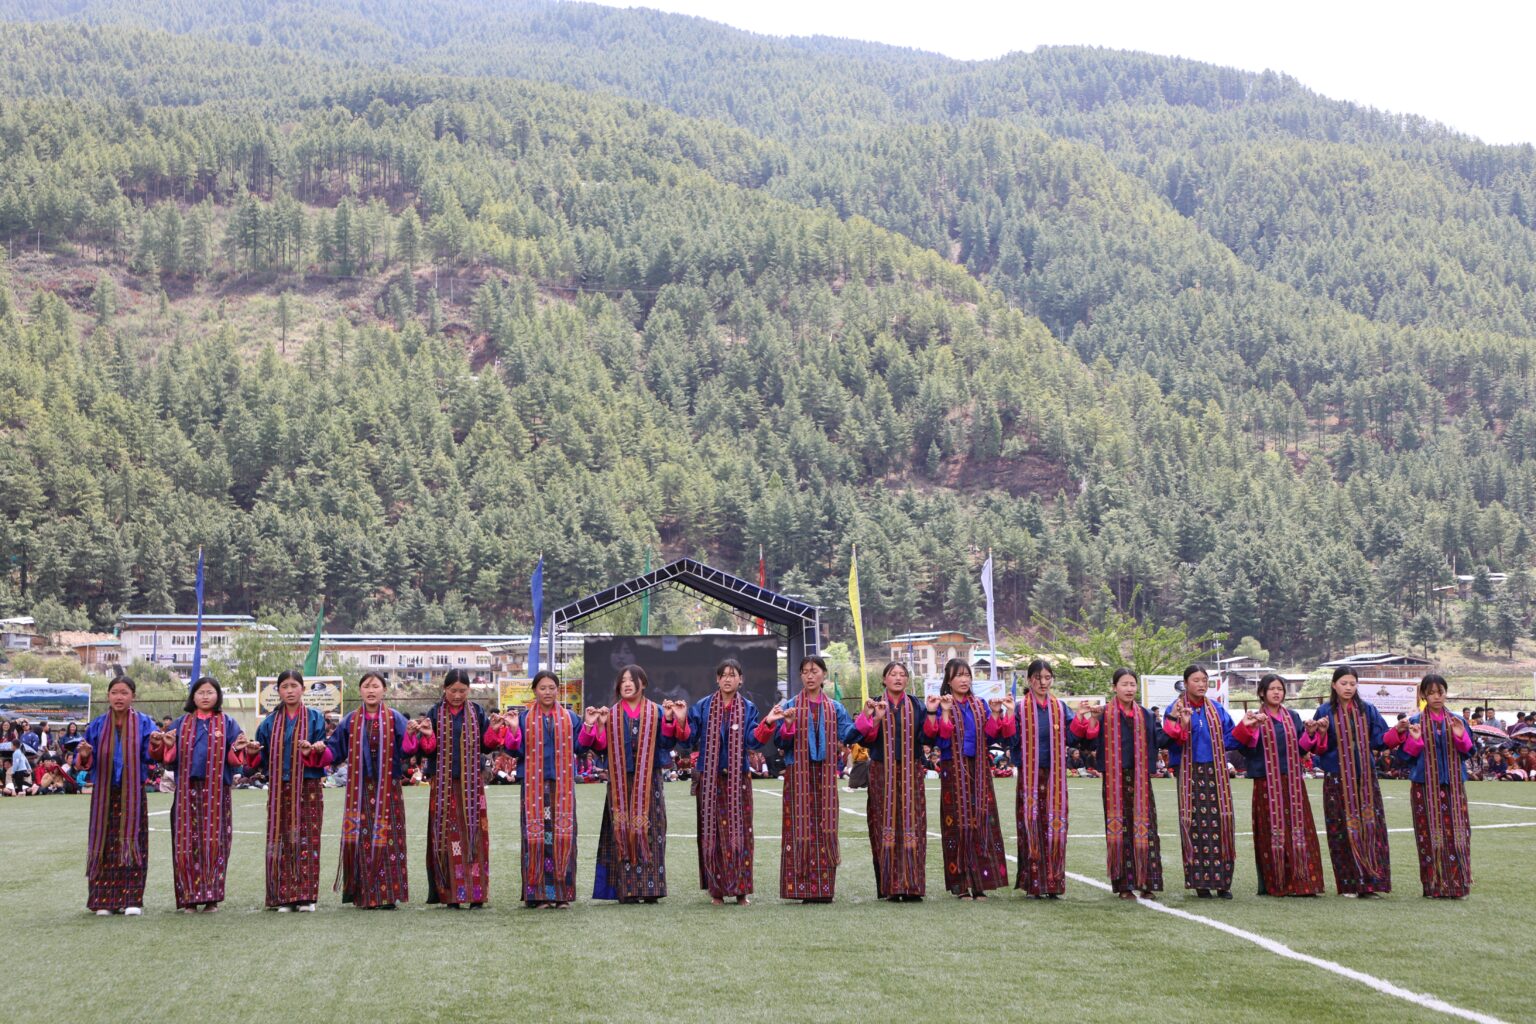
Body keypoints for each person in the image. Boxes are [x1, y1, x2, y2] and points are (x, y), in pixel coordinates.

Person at [757, 655, 860, 902]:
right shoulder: (791, 705)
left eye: (814, 671)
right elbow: (781, 743)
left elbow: (849, 734)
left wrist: (867, 719)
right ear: (801, 676)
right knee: (798, 829)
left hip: (825, 777)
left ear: (823, 675)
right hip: (798, 776)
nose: (810, 675)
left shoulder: (835, 707)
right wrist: (789, 725)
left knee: (825, 827)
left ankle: (824, 890)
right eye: (805, 671)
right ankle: (801, 888)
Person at [412, 668, 514, 908]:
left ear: (468, 690)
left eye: (462, 691)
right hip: (443, 785)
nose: (457, 695)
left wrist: (495, 728)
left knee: (474, 835)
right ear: (444, 690)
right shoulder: (435, 712)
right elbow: (428, 749)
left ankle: (475, 894)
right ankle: (450, 895)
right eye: (452, 690)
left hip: (472, 785)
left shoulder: (476, 711)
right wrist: (426, 735)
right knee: (446, 836)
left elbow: (486, 745)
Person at [592, 665, 687, 903]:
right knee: (621, 829)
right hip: (619, 783)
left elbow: (666, 743)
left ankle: (651, 889)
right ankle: (627, 890)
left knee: (651, 831)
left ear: (642, 683)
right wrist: (600, 726)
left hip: (650, 782)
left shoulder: (656, 711)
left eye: (631, 680)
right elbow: (600, 747)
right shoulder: (610, 713)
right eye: (622, 680)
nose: (626, 684)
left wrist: (668, 720)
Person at [507, 671, 601, 908]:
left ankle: (562, 895)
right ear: (534, 691)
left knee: (564, 837)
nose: (547, 692)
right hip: (533, 788)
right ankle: (537, 895)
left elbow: (580, 747)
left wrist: (588, 725)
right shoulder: (524, 718)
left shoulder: (570, 717)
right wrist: (513, 730)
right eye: (542, 688)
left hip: (563, 788)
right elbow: (514, 751)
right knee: (534, 839)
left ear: (557, 690)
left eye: (551, 687)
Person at [1072, 668, 1165, 900]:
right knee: (1119, 830)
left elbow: (1161, 739)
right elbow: (1088, 739)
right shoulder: (1104, 714)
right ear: (1114, 687)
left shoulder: (1146, 715)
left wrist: (1179, 723)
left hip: (1141, 779)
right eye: (1124, 684)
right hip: (1115, 781)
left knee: (1147, 829)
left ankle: (1147, 881)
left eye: (1132, 684)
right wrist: (1091, 718)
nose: (1129, 688)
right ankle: (1124, 884)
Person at [322, 671, 411, 908]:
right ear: (360, 690)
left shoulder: (395, 718)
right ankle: (363, 894)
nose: (371, 691)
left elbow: (408, 749)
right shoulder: (350, 720)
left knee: (388, 838)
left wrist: (414, 736)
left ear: (384, 690)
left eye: (376, 686)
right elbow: (334, 751)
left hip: (388, 789)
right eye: (366, 686)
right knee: (361, 837)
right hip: (358, 790)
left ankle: (388, 895)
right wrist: (316, 750)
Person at [161, 676, 251, 912]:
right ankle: (190, 898)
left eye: (210, 692)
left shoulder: (228, 723)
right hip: (185, 793)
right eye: (200, 692)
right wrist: (168, 745)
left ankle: (211, 898)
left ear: (218, 696)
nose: (204, 696)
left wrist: (237, 748)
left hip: (217, 793)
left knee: (215, 843)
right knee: (185, 844)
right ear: (193, 696)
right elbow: (168, 760)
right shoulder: (180, 724)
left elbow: (234, 761)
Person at [1232, 674, 1325, 897]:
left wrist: (1311, 733)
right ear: (1262, 693)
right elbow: (1243, 748)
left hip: (1293, 782)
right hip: (1266, 783)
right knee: (1271, 831)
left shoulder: (1292, 716)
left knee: (1299, 830)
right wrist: (1251, 728)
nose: (1277, 693)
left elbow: (1302, 749)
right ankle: (1278, 882)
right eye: (1272, 689)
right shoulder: (1254, 717)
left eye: (1280, 689)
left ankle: (1303, 882)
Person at [923, 658, 1008, 899]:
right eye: (959, 675)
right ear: (949, 680)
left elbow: (990, 736)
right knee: (958, 826)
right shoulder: (942, 705)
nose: (964, 679)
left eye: (967, 675)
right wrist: (947, 712)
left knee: (981, 822)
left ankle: (981, 882)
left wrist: (994, 713)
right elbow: (940, 739)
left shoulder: (980, 704)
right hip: (954, 771)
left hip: (979, 770)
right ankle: (961, 884)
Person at [245, 669, 329, 912]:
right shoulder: (269, 723)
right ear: (278, 691)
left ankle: (306, 897)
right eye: (285, 686)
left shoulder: (315, 718)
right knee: (282, 839)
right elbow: (259, 758)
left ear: (302, 689)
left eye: (294, 685)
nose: (290, 691)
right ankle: (284, 896)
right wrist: (252, 752)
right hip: (280, 788)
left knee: (308, 839)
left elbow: (323, 751)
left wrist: (314, 749)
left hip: (308, 786)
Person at [1310, 667, 1399, 897]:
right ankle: (1348, 884)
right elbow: (1318, 748)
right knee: (1340, 829)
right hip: (1336, 779)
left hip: (1365, 780)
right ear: (1334, 685)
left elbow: (1380, 741)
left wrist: (1398, 731)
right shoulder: (1324, 710)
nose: (1348, 687)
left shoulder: (1367, 710)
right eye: (1344, 683)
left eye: (1352, 683)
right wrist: (1318, 734)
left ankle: (1372, 882)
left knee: (1371, 827)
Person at [78, 677, 158, 914]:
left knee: (133, 843)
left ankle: (131, 900)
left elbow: (153, 756)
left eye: (124, 692)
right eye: (114, 692)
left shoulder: (145, 723)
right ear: (108, 696)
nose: (119, 697)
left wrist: (157, 744)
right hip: (104, 795)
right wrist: (83, 754)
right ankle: (104, 901)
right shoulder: (97, 725)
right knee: (104, 844)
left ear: (133, 696)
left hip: (133, 794)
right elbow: (82, 761)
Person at [997, 658, 1076, 898]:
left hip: (1055, 777)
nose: (1043, 682)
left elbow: (1073, 737)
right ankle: (1033, 883)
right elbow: (1009, 740)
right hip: (1030, 777)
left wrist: (1084, 719)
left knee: (1055, 827)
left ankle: (1053, 883)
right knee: (1031, 827)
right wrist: (1009, 716)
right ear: (1029, 680)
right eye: (1037, 678)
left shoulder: (1061, 707)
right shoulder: (1020, 708)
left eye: (1047, 677)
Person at [686, 658, 762, 906]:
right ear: (717, 679)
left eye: (733, 675)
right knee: (713, 834)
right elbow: (689, 737)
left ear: (741, 680)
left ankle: (741, 891)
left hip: (738, 779)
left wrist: (769, 723)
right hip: (709, 779)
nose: (728, 679)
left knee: (740, 833)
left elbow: (753, 740)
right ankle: (716, 891)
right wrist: (677, 719)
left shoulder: (748, 708)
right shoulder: (703, 706)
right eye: (724, 675)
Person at [852, 662, 929, 901]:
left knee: (914, 826)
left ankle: (912, 885)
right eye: (893, 674)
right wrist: (873, 718)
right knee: (882, 826)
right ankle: (889, 887)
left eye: (902, 674)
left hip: (911, 771)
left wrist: (936, 713)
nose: (898, 678)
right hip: (881, 771)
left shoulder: (917, 705)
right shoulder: (874, 704)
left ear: (907, 680)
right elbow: (856, 738)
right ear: (884, 679)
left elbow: (927, 736)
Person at [1160, 665, 1238, 899]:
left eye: (1204, 680)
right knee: (1194, 824)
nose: (1202, 684)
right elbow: (1168, 739)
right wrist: (1180, 723)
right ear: (1186, 683)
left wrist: (1249, 727)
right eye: (1196, 680)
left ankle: (1223, 882)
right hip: (1189, 772)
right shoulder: (1174, 708)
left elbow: (1230, 737)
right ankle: (1200, 882)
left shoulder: (1216, 708)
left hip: (1216, 773)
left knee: (1222, 821)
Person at [1396, 674, 1474, 899]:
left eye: (1440, 691)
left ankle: (1458, 885)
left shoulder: (1458, 720)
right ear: (1423, 695)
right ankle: (1434, 886)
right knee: (1429, 834)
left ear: (1446, 693)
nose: (1436, 696)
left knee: (1459, 833)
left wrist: (1460, 736)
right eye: (1430, 692)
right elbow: (1405, 758)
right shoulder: (1414, 721)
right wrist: (1415, 740)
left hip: (1453, 785)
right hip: (1423, 786)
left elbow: (1469, 752)